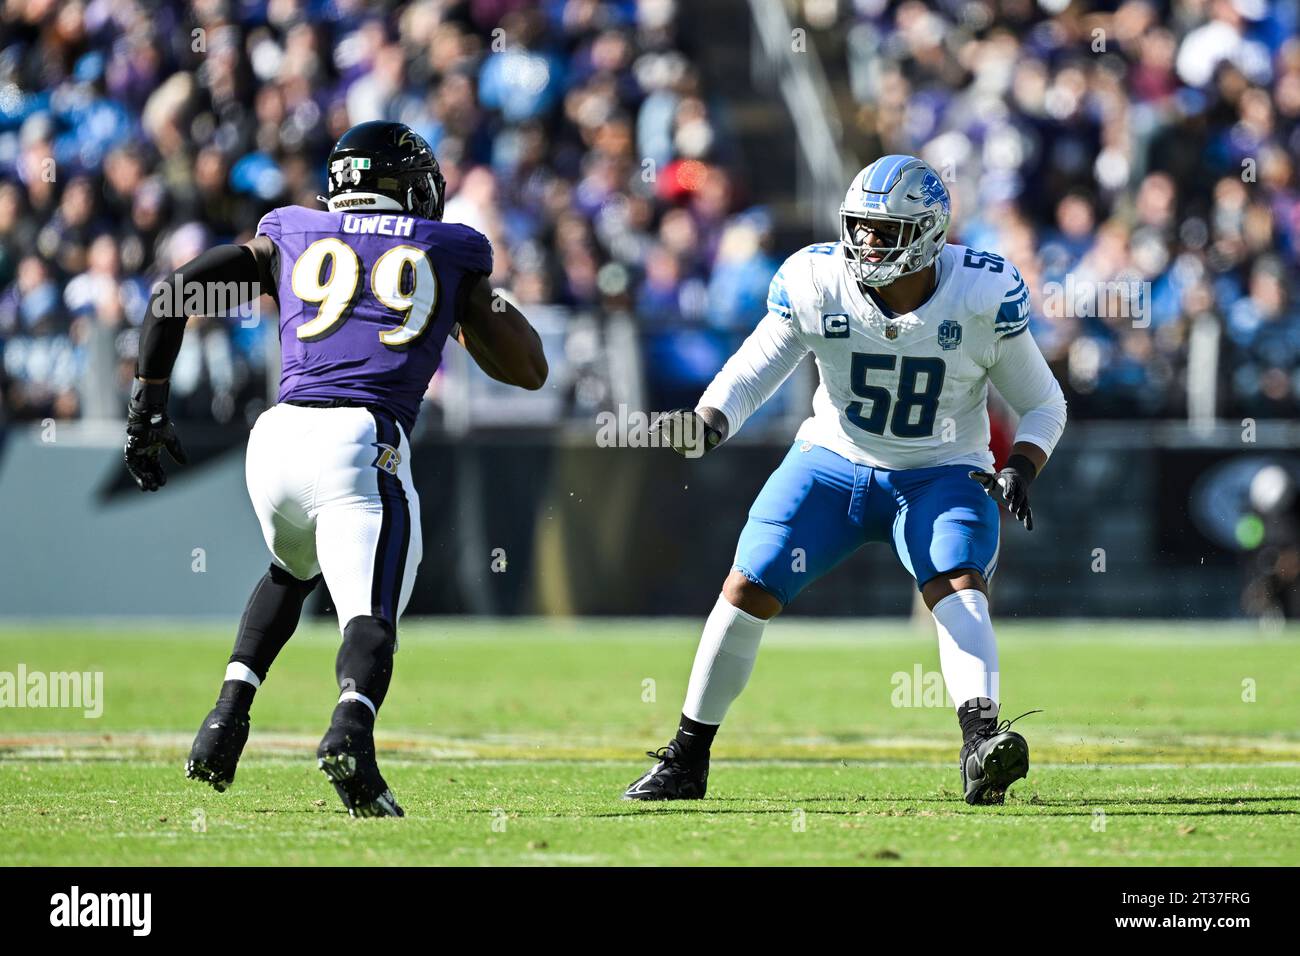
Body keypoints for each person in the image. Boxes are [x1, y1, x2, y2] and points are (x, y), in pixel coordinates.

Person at [124, 121, 547, 817]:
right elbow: (531, 369)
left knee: (290, 572)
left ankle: (224, 721)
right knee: (369, 614)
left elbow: (176, 289)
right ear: (408, 186)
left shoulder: (291, 230)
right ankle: (351, 733)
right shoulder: (449, 248)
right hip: (361, 438)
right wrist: (463, 307)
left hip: (277, 440)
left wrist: (148, 405)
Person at [624, 155, 1065, 805]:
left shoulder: (979, 293)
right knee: (747, 584)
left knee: (957, 580)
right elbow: (754, 368)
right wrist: (707, 423)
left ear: (927, 234)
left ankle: (981, 744)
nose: (866, 244)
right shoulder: (816, 279)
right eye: (859, 227)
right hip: (831, 462)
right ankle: (687, 758)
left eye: (884, 232)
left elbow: (1044, 403)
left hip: (939, 472)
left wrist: (1022, 465)